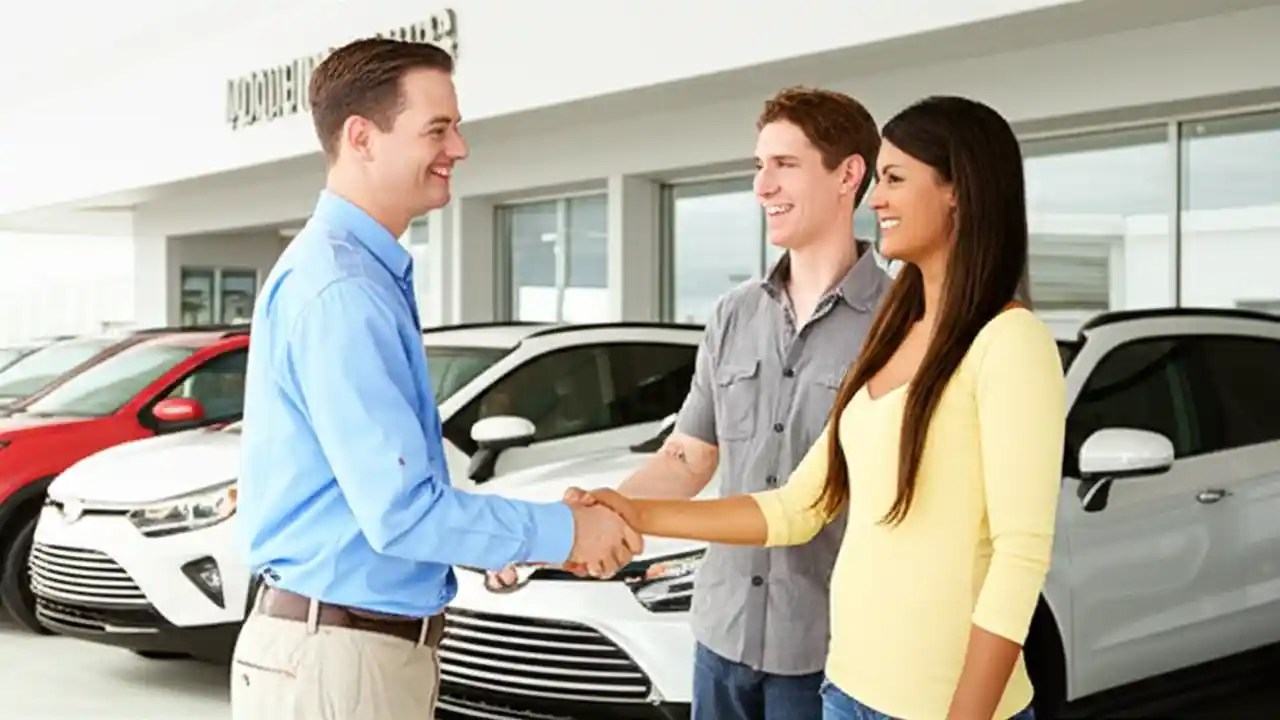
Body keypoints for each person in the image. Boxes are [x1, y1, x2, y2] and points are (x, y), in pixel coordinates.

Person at [570, 96, 1067, 720]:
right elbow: (797, 505)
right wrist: (629, 509)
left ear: (957, 192)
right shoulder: (893, 331)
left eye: (895, 179)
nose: (878, 200)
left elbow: (1020, 559)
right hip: (848, 690)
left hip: (933, 704)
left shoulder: (1009, 341)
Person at [231, 38, 641, 719]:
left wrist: (489, 543)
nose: (460, 148)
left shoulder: (351, 275)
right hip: (342, 661)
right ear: (362, 137)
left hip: (346, 652)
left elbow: (381, 505)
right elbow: (402, 514)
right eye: (437, 128)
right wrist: (568, 532)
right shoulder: (342, 290)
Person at [492, 86, 890, 720]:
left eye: (784, 164)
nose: (762, 186)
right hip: (721, 636)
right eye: (758, 166)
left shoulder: (898, 323)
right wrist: (599, 513)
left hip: (835, 649)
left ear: (849, 175)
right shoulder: (735, 314)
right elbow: (687, 456)